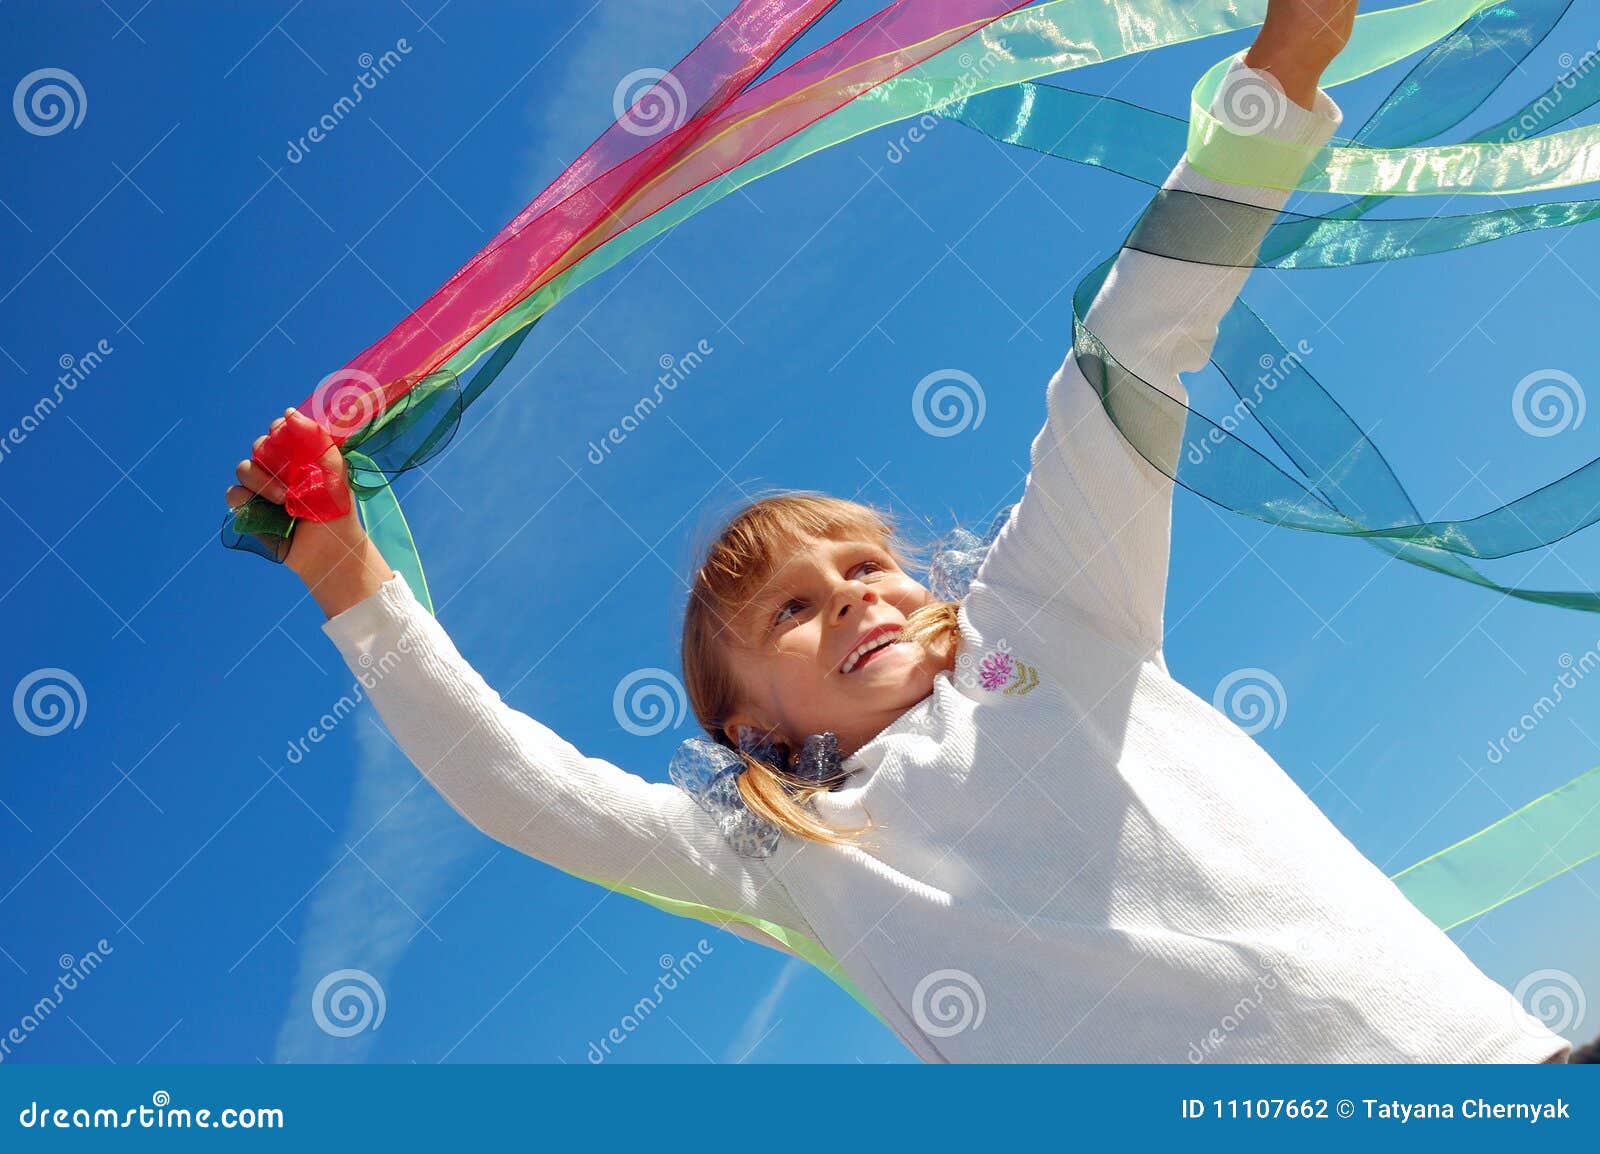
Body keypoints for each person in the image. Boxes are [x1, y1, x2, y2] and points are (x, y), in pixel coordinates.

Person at [227, 0, 1576, 1063]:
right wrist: (347, 570)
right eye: (791, 613)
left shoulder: (1053, 611)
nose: (854, 599)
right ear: (750, 727)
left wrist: (1282, 70)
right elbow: (523, 788)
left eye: (862, 566)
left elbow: (1135, 341)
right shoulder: (791, 854)